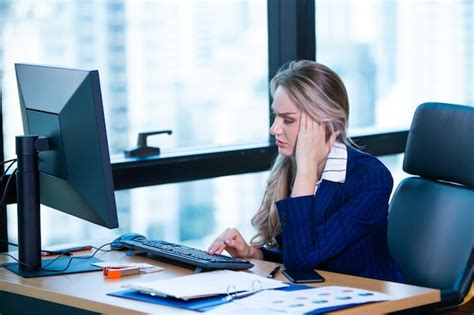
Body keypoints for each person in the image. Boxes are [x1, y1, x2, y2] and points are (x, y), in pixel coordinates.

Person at [207, 60, 405, 282]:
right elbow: (299, 252)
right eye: (276, 116)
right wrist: (254, 254)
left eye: (288, 120)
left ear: (324, 123)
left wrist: (306, 171)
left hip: (374, 301)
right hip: (319, 296)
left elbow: (303, 260)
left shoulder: (370, 178)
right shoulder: (289, 167)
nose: (274, 129)